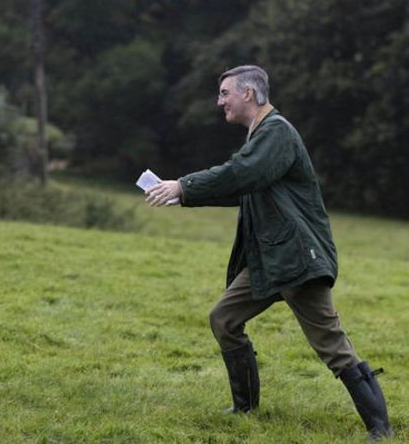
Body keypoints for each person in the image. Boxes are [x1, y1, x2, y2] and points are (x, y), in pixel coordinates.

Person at [146, 65, 391, 440]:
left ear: (248, 94)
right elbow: (242, 185)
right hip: (269, 259)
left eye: (225, 93)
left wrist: (184, 185)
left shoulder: (277, 132)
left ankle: (381, 429)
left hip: (297, 258)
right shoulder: (260, 136)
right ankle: (244, 410)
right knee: (224, 319)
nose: (219, 101)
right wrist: (183, 194)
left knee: (332, 346)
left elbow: (241, 173)